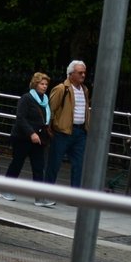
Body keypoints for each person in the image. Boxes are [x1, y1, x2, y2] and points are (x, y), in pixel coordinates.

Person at [0, 72, 56, 206]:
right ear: (35, 84)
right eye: (42, 84)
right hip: (23, 138)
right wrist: (31, 133)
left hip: (39, 139)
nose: (44, 87)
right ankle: (5, 190)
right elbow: (21, 118)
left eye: (46, 84)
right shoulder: (26, 98)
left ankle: (39, 197)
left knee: (39, 167)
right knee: (17, 163)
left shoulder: (45, 100)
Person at [46, 59, 91, 188]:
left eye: (84, 72)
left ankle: (74, 194)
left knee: (79, 164)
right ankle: (46, 192)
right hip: (62, 132)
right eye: (80, 72)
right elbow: (50, 109)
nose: (83, 75)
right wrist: (49, 127)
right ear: (71, 74)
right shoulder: (61, 89)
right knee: (54, 163)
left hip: (80, 132)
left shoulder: (85, 90)